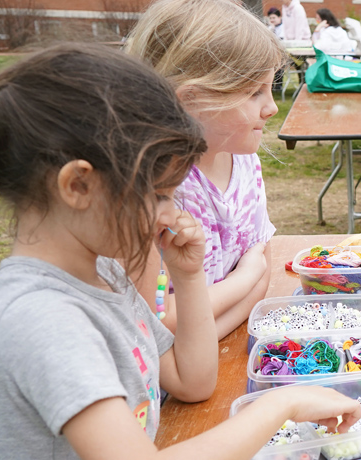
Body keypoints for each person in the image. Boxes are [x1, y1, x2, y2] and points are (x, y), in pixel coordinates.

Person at [0, 43, 361, 460]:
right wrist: (277, 406)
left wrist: (187, 279)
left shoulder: (104, 275)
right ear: (78, 185)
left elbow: (193, 381)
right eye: (160, 195)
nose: (170, 215)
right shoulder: (40, 317)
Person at [124, 0, 282, 340]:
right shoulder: (157, 190)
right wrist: (243, 280)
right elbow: (162, 323)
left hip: (219, 357)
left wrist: (203, 338)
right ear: (191, 100)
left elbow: (264, 274)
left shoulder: (243, 160)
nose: (272, 107)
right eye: (255, 92)